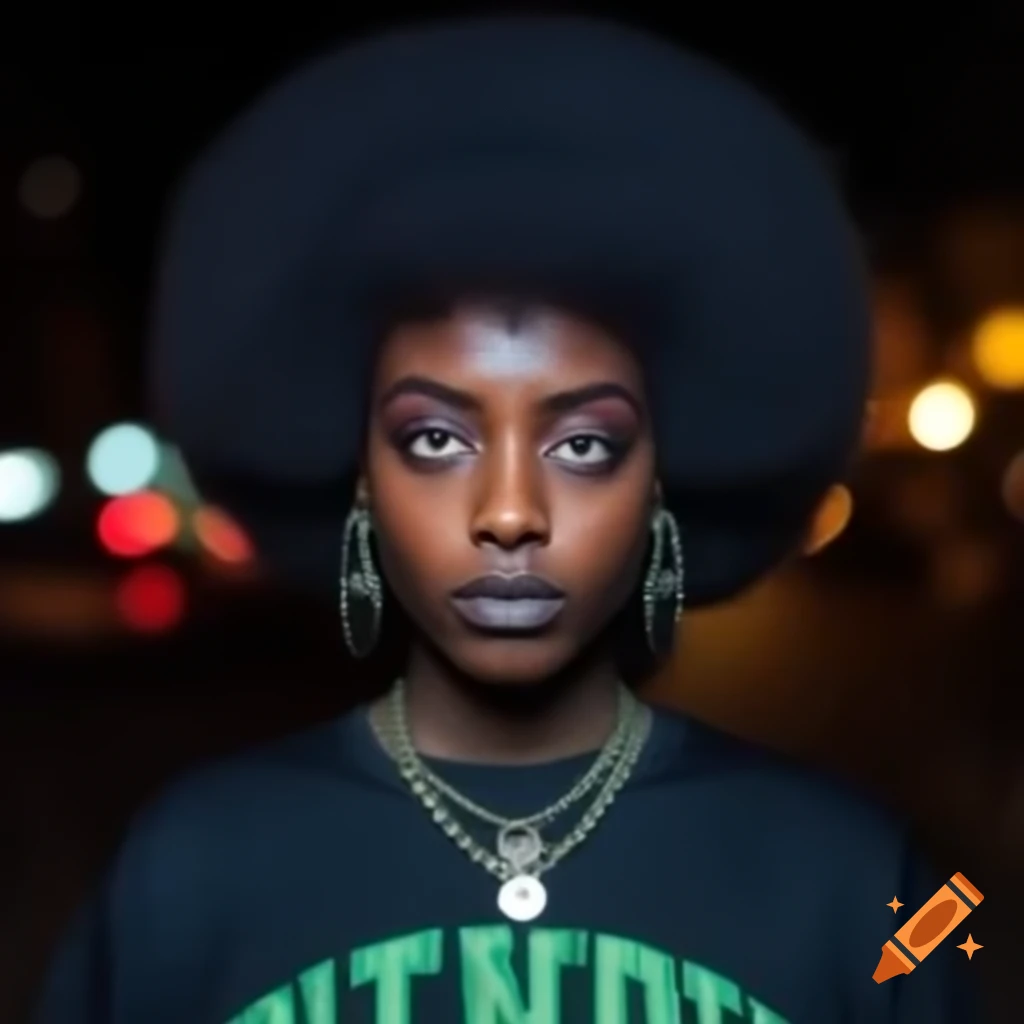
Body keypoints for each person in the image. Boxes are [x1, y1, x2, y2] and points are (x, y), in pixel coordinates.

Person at [34, 15, 983, 1024]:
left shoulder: (872, 885)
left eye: (584, 445)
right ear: (358, 472)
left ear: (661, 477)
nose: (509, 513)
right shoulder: (182, 873)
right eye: (436, 439)